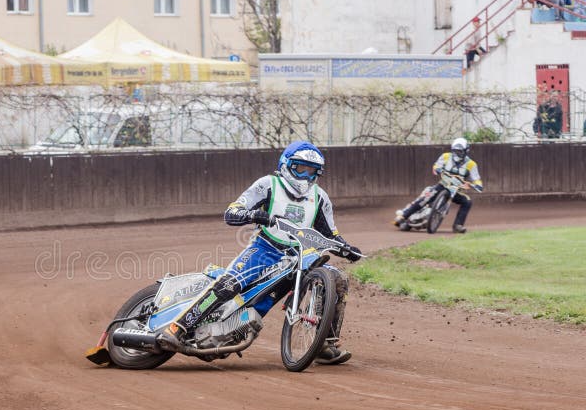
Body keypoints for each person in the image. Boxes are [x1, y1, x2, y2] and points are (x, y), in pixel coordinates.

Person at [157, 141, 363, 365]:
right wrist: (255, 215)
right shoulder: (268, 184)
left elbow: (330, 234)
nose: (305, 175)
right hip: (265, 248)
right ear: (287, 165)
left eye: (311, 171)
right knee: (229, 284)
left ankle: (324, 343)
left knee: (338, 278)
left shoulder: (320, 197)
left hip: (300, 255)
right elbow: (232, 212)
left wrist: (347, 249)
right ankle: (177, 327)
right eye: (301, 168)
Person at [393, 138, 484, 234]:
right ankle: (403, 216)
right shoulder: (445, 156)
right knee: (426, 198)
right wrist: (437, 169)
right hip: (442, 185)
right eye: (455, 151)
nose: (457, 154)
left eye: (459, 151)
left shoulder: (471, 164)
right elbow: (436, 166)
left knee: (467, 202)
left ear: (466, 151)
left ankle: (458, 225)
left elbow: (476, 179)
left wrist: (478, 185)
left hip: (456, 191)